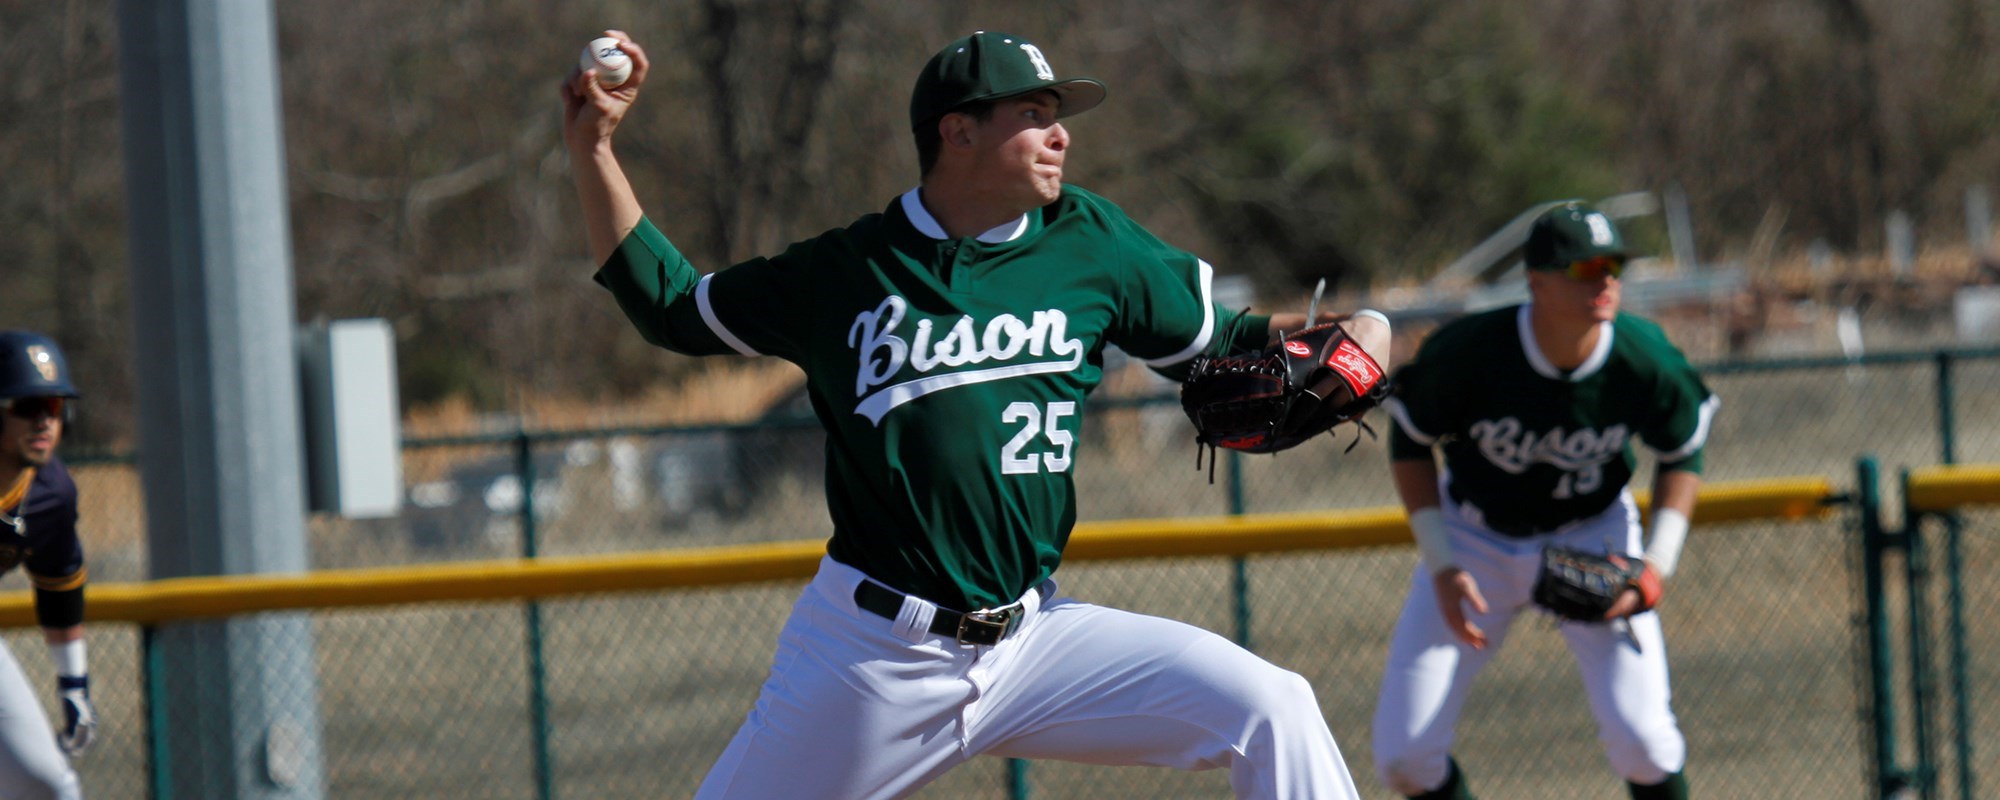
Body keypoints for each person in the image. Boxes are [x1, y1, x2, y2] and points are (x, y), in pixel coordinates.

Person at [562, 28, 1385, 799]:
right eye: (1032, 115)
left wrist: (1359, 335)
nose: (1059, 135)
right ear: (957, 133)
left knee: (1271, 706)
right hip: (876, 655)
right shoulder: (849, 272)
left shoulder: (1089, 241)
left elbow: (1229, 345)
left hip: (1036, 639)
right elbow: (671, 305)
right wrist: (592, 148)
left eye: (1056, 117)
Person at [1369, 201, 1719, 800]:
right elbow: (1410, 440)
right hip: (1473, 538)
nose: (1605, 280)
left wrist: (1654, 569)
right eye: (1584, 268)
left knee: (1644, 741)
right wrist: (1443, 564)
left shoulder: (1642, 357)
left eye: (1612, 266)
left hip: (1593, 533)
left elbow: (1683, 450)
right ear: (1536, 281)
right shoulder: (1471, 351)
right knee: (1403, 757)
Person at [0, 331, 99, 800]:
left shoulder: (50, 494)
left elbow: (59, 588)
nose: (43, 421)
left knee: (51, 786)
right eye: (26, 406)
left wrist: (73, 685)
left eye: (55, 407)